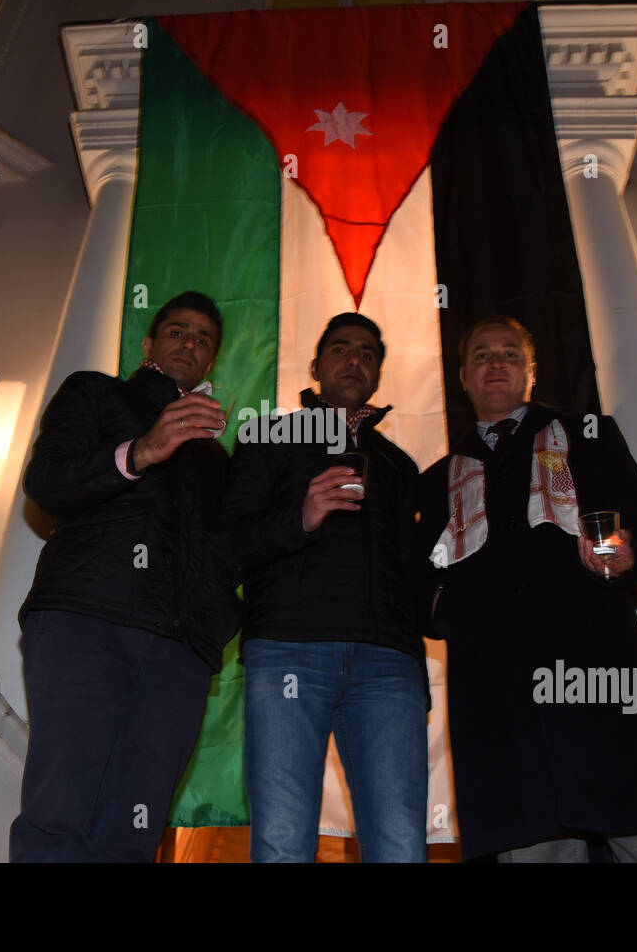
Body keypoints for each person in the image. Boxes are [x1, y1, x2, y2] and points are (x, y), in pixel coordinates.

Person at [413, 316, 637, 862]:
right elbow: (415, 584)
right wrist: (448, 610)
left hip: (599, 668)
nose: (495, 363)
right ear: (462, 376)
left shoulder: (588, 435)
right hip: (497, 692)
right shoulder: (436, 479)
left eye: (509, 354)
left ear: (531, 371)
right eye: (482, 355)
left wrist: (630, 550)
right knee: (533, 844)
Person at [10, 290, 238, 862]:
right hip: (87, 619)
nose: (189, 342)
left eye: (203, 339)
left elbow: (235, 552)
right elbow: (47, 484)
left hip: (180, 653)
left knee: (133, 833)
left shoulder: (218, 461)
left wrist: (297, 524)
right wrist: (139, 451)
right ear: (149, 343)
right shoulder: (94, 391)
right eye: (177, 331)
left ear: (210, 363)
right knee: (60, 810)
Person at [225, 312, 428, 862]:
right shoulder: (267, 433)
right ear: (315, 366)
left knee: (402, 844)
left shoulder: (400, 465)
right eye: (340, 348)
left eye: (367, 352)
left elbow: (419, 571)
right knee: (284, 840)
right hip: (289, 649)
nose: (354, 359)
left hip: (390, 662)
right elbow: (231, 545)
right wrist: (302, 516)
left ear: (379, 373)